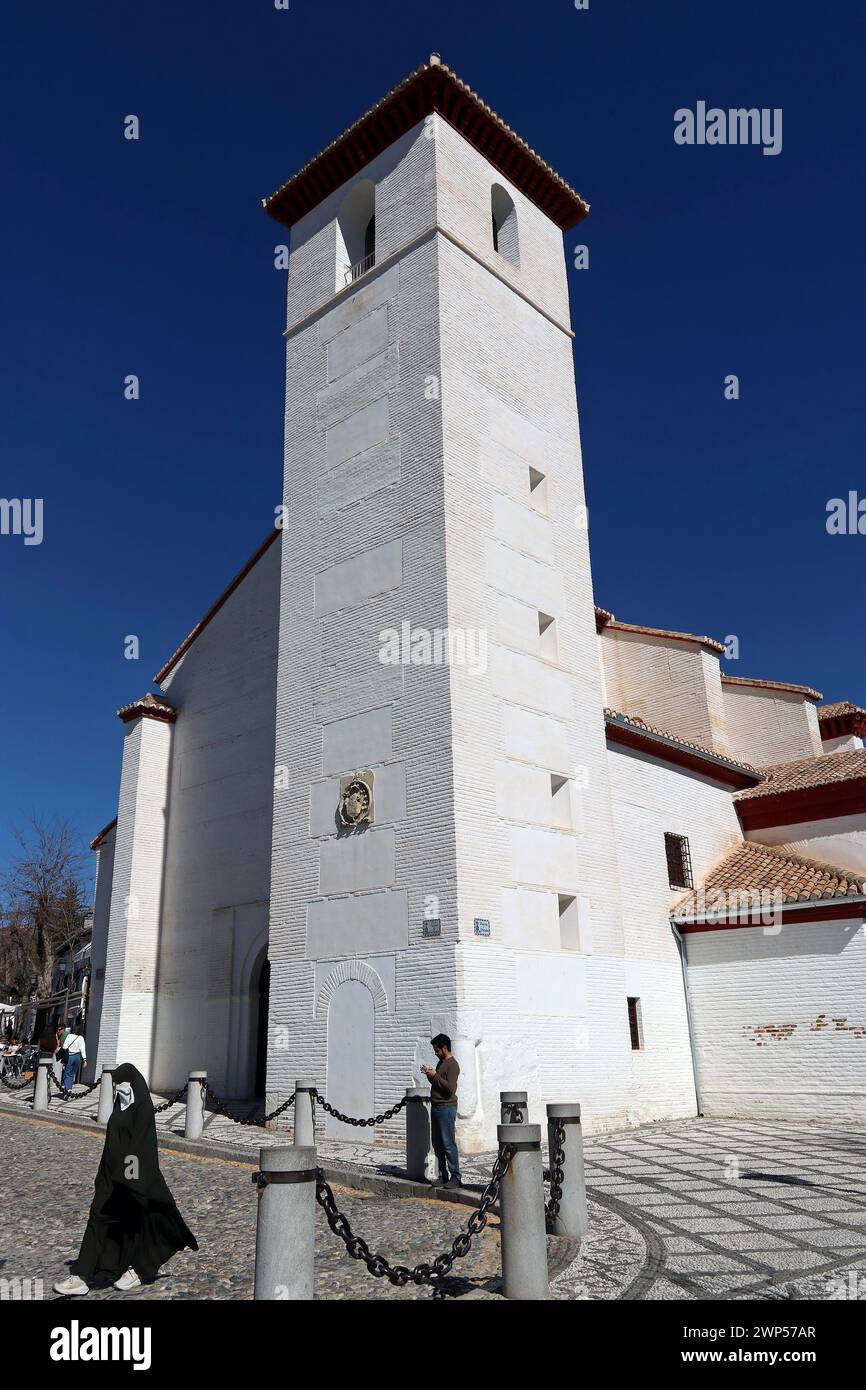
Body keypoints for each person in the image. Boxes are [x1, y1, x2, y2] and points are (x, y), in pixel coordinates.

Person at [53, 1063, 198, 1296]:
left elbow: (141, 1146)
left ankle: (136, 1269)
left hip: (132, 1181)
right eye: (116, 1084)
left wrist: (129, 1179)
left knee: (134, 1225)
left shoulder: (142, 1109)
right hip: (111, 1179)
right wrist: (102, 1177)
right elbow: (111, 1145)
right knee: (98, 1219)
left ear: (133, 1084)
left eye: (122, 1084)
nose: (118, 1088)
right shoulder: (121, 1107)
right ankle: (82, 1275)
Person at [421, 1033, 462, 1189]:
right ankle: (442, 1175)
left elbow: (450, 1088)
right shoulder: (441, 1063)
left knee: (448, 1144)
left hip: (447, 1107)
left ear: (445, 1048)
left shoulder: (453, 1065)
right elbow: (438, 1083)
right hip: (437, 1106)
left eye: (437, 1050)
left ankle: (456, 1177)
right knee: (437, 1143)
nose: (435, 1053)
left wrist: (435, 1076)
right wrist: (430, 1075)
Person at [61, 1028, 86, 1096]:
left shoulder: (69, 1036)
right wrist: (85, 1060)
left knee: (67, 1072)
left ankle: (68, 1089)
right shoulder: (81, 1038)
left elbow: (64, 1047)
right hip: (77, 1057)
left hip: (70, 1056)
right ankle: (69, 1088)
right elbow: (82, 1049)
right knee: (72, 1073)